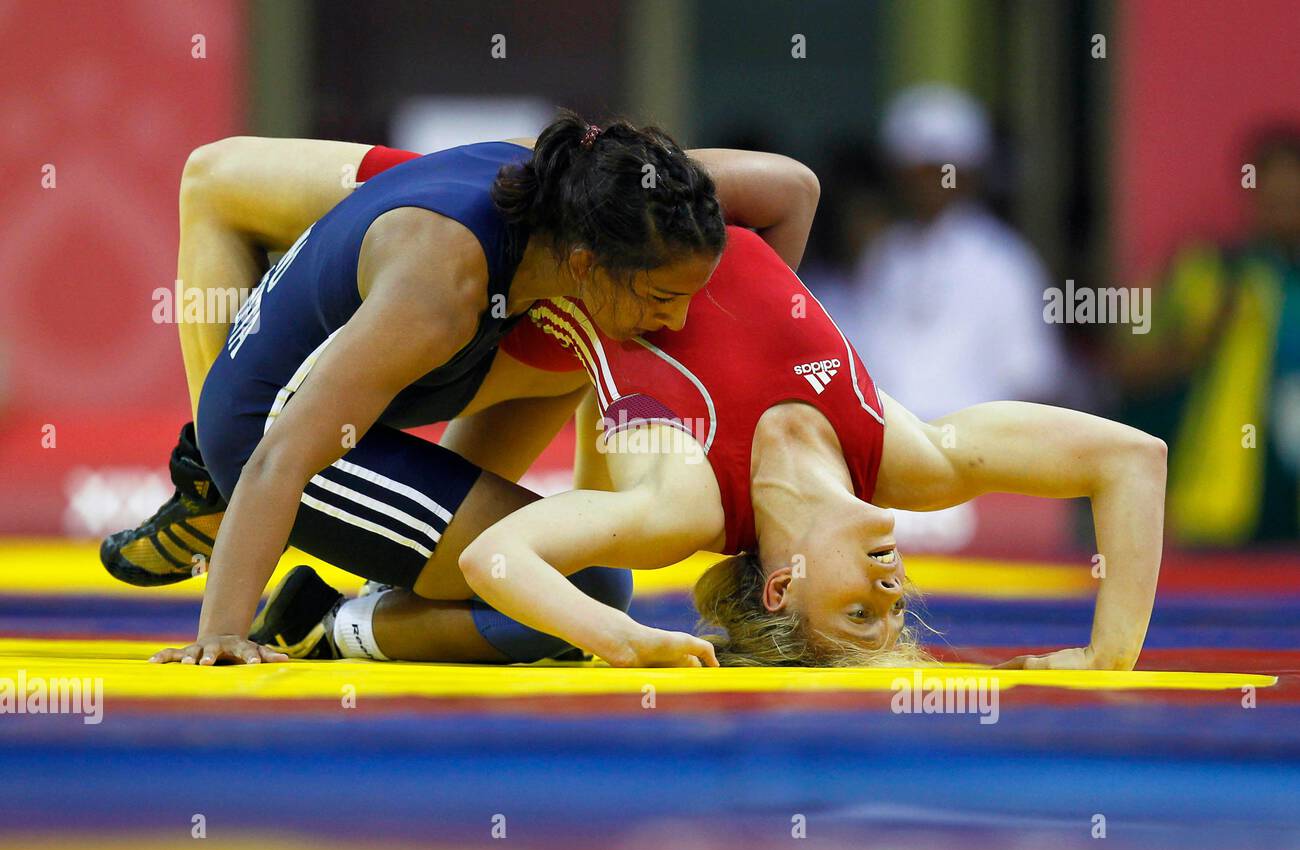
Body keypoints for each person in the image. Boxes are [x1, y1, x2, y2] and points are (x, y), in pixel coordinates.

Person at [196, 227, 1166, 670]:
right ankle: (328, 603)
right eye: (894, 606)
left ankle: (320, 604)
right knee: (788, 190)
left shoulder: (687, 507)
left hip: (504, 288)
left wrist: (622, 642)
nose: (892, 584)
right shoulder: (906, 453)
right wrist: (1108, 655)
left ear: (779, 586)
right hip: (629, 209)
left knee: (225, 184)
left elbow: (499, 557)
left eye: (859, 611)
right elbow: (1131, 459)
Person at [140, 113, 824, 668]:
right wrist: (221, 631)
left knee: (583, 347)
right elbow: (281, 453)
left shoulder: (590, 184)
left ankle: (401, 579)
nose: (680, 321)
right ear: (586, 263)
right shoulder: (442, 283)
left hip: (395, 367)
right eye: (663, 296)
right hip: (269, 434)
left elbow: (793, 189)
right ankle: (323, 620)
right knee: (583, 589)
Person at [1115, 126, 1300, 544]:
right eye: (1274, 200)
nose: (1285, 213)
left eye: (1294, 200)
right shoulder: (1208, 269)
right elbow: (1132, 370)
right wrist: (1206, 335)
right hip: (1224, 495)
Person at [842, 84, 1065, 420]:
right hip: (890, 447)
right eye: (914, 171)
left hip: (974, 455)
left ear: (969, 174)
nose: (926, 183)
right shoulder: (885, 254)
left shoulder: (1004, 262)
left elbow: (1032, 381)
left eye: (939, 170)